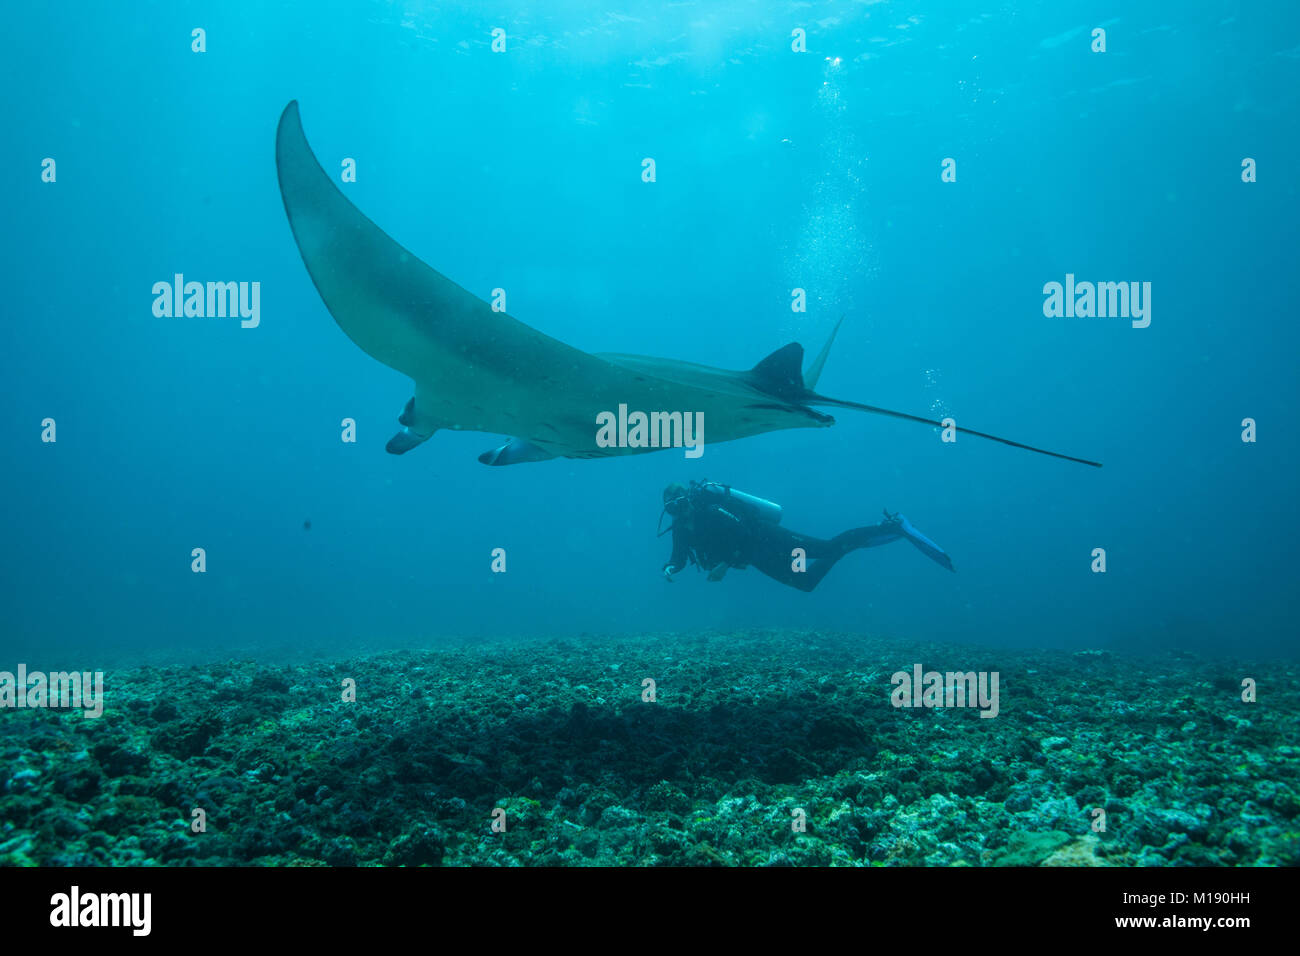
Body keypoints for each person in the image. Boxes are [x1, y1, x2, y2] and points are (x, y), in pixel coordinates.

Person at [659, 480, 954, 593]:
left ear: (690, 501)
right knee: (806, 583)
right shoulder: (682, 529)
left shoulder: (711, 512)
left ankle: (891, 526)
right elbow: (678, 556)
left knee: (826, 548)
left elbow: (746, 530)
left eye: (682, 504)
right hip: (759, 558)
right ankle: (852, 546)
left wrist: (726, 562)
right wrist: (670, 568)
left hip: (771, 540)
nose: (680, 512)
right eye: (672, 509)